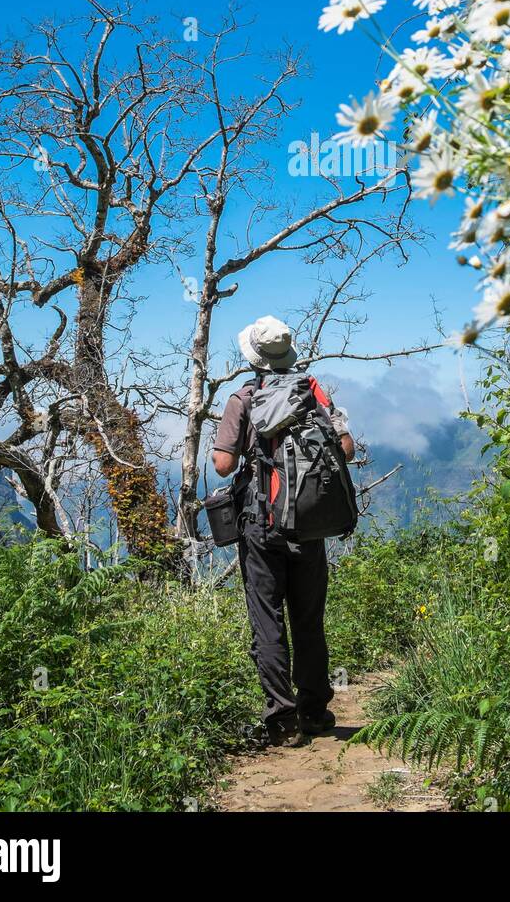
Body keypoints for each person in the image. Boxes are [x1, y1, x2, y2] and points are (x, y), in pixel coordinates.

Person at [213, 315, 355, 748]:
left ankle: (283, 720)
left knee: (268, 622)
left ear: (253, 357)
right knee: (308, 621)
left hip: (262, 526)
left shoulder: (242, 398)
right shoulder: (313, 391)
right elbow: (346, 448)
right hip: (309, 528)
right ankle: (315, 711)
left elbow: (222, 465)